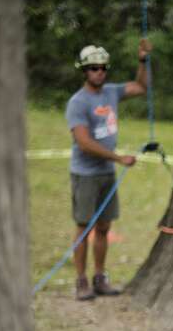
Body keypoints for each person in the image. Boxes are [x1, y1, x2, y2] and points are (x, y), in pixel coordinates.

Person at [65, 40, 152, 301]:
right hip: (86, 175)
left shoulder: (111, 92)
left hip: (106, 174)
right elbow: (83, 141)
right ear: (84, 71)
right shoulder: (78, 103)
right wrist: (117, 158)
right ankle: (81, 281)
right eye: (93, 68)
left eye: (103, 68)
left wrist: (143, 61)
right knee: (84, 227)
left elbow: (141, 87)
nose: (99, 72)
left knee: (103, 227)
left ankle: (100, 277)